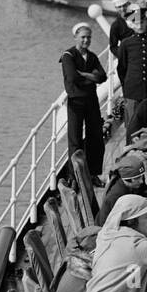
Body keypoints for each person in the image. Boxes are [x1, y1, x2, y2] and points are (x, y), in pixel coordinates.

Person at [60, 21, 107, 182]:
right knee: (75, 139)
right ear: (75, 37)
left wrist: (85, 74)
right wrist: (91, 76)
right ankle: (75, 176)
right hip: (76, 101)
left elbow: (103, 77)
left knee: (95, 136)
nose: (86, 40)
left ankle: (93, 173)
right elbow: (72, 77)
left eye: (88, 37)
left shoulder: (92, 56)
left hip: (91, 100)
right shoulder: (68, 56)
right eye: (82, 37)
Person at [115, 6, 147, 124]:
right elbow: (122, 69)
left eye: (142, 21)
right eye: (136, 22)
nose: (139, 25)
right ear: (132, 24)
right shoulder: (126, 44)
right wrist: (126, 89)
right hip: (133, 91)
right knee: (133, 125)